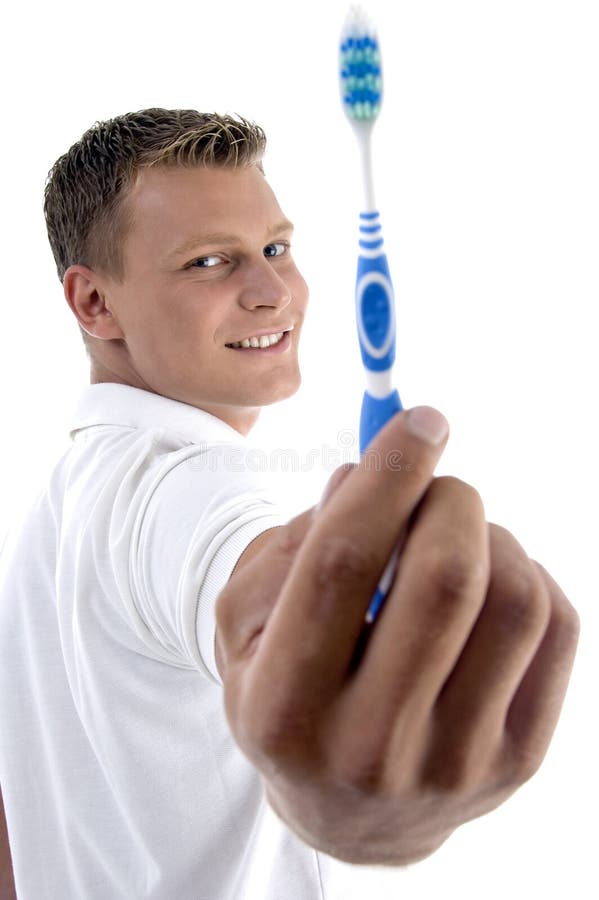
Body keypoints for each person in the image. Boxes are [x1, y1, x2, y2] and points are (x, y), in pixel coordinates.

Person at [0, 108, 579, 899]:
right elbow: (240, 590)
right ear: (95, 304)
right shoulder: (189, 484)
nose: (273, 291)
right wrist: (350, 790)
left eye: (275, 248)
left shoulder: (62, 503)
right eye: (209, 262)